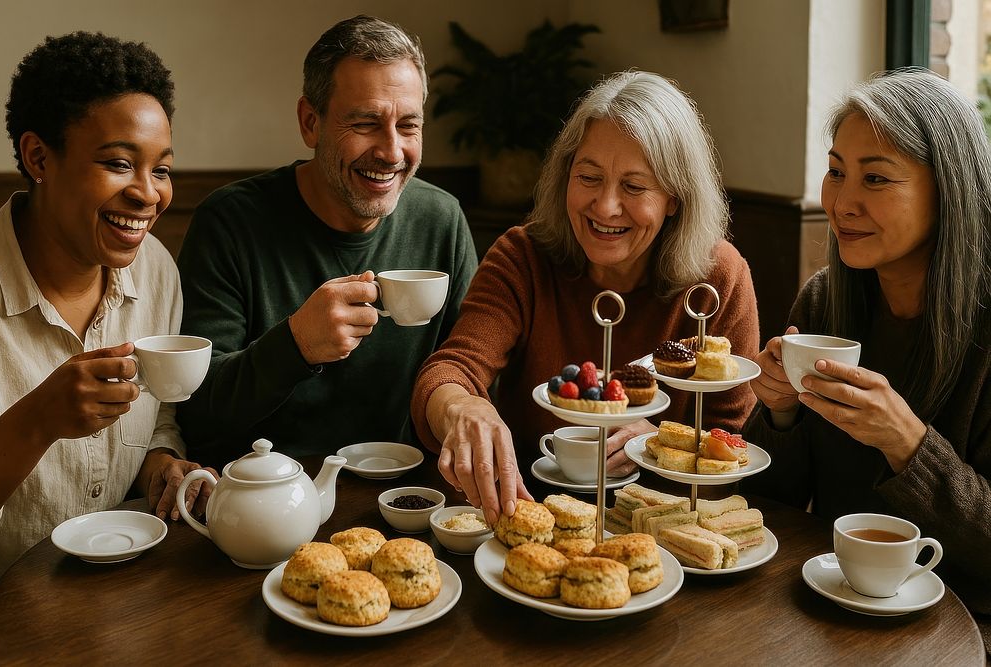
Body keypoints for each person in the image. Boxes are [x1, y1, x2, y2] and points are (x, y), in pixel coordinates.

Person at [412, 70, 759, 525]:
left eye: (634, 187)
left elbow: (732, 443)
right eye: (589, 177)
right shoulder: (523, 257)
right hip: (532, 516)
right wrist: (462, 405)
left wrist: (659, 444)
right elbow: (448, 372)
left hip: (669, 530)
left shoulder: (717, 279)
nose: (605, 206)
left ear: (675, 197)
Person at [742, 68, 991, 646]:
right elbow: (769, 505)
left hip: (964, 632)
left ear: (949, 190)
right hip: (829, 606)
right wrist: (781, 414)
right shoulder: (826, 303)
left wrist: (908, 443)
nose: (842, 202)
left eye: (875, 178)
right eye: (835, 172)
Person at [175, 15, 477, 471]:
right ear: (310, 122)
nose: (392, 152)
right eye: (366, 123)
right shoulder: (231, 222)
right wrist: (296, 344)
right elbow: (196, 411)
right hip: (265, 505)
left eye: (409, 126)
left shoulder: (441, 218)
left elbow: (473, 370)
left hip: (402, 493)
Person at [0, 32, 215, 581]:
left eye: (160, 169)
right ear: (38, 157)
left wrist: (159, 467)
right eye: (118, 163)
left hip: (126, 588)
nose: (148, 194)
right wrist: (37, 420)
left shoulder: (155, 268)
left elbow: (158, 416)